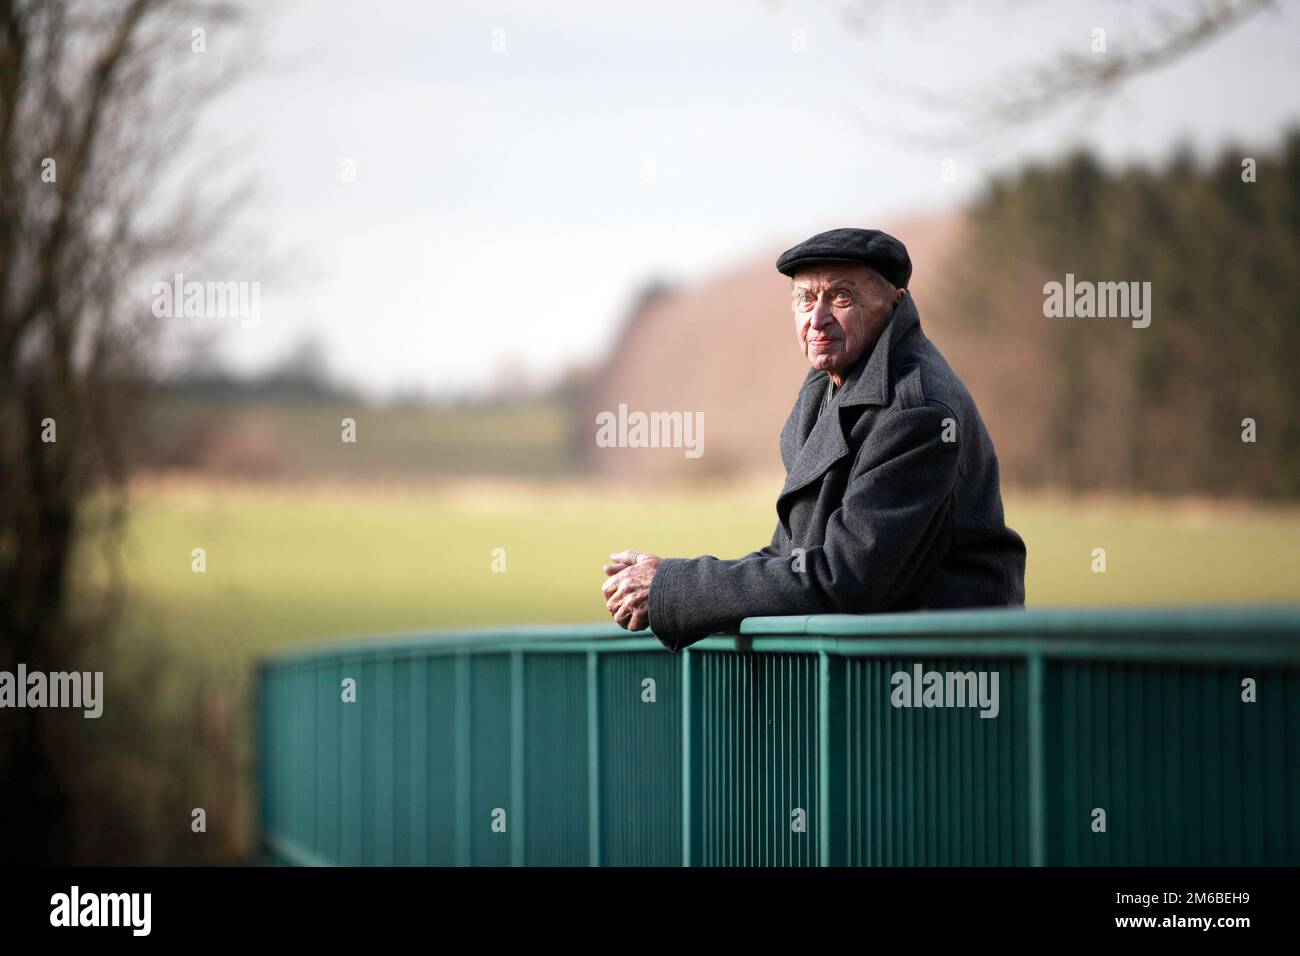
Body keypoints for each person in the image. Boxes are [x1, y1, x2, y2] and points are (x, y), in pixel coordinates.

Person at [602, 227, 1026, 651]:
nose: (816, 318)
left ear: (893, 302)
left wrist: (674, 586)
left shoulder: (918, 411)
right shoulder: (826, 391)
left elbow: (843, 577)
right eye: (805, 299)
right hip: (882, 676)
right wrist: (670, 586)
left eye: (840, 297)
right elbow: (794, 560)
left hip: (941, 682)